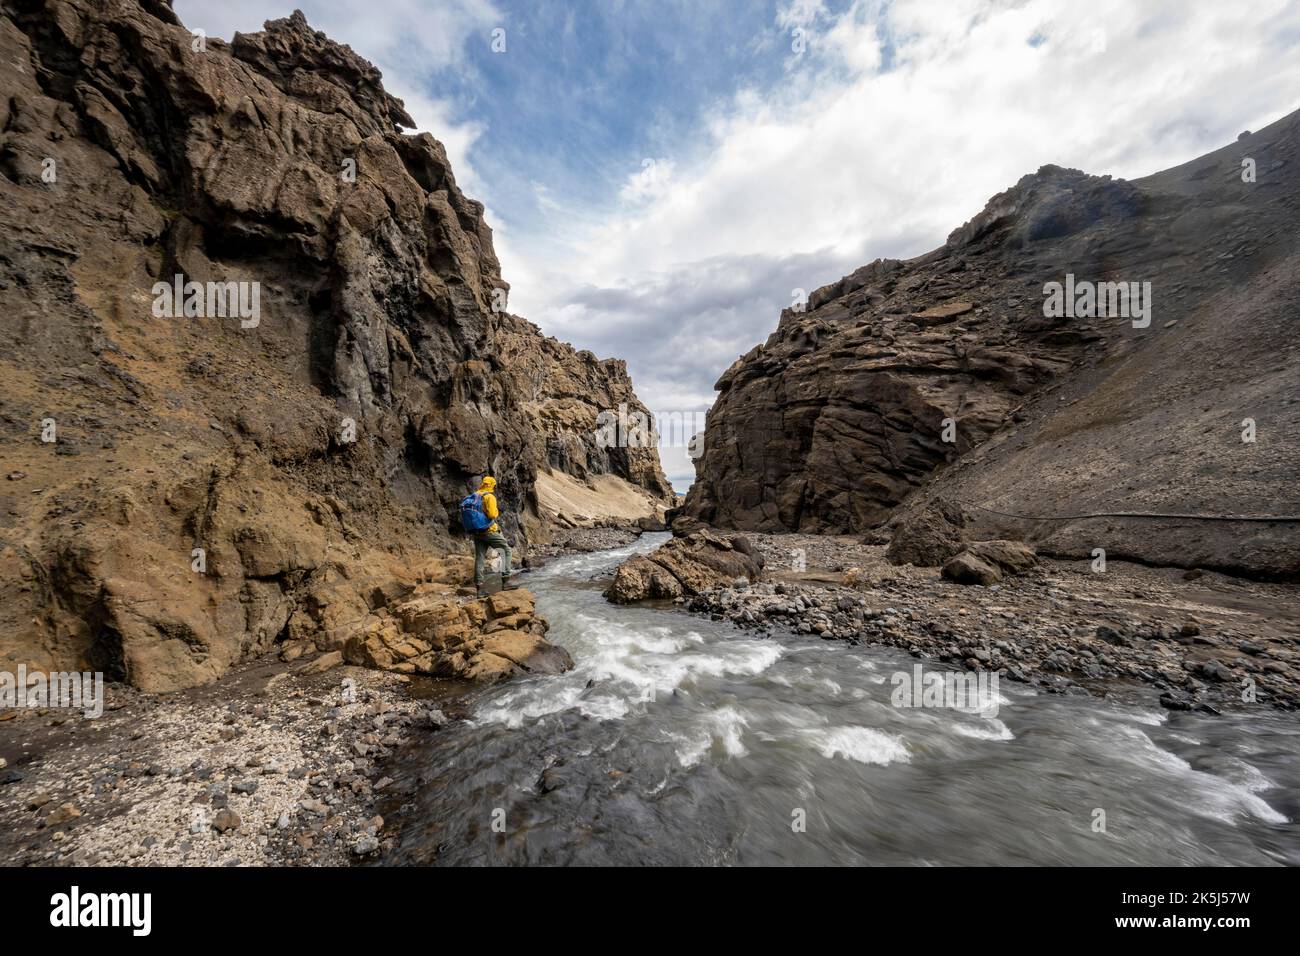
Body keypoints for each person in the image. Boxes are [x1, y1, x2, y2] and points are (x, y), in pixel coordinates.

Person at [462, 475, 515, 596]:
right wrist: (497, 511)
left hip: (476, 532)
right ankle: (506, 581)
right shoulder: (489, 496)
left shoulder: (474, 496)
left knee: (480, 557)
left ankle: (479, 589)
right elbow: (492, 515)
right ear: (491, 485)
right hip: (489, 531)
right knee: (506, 550)